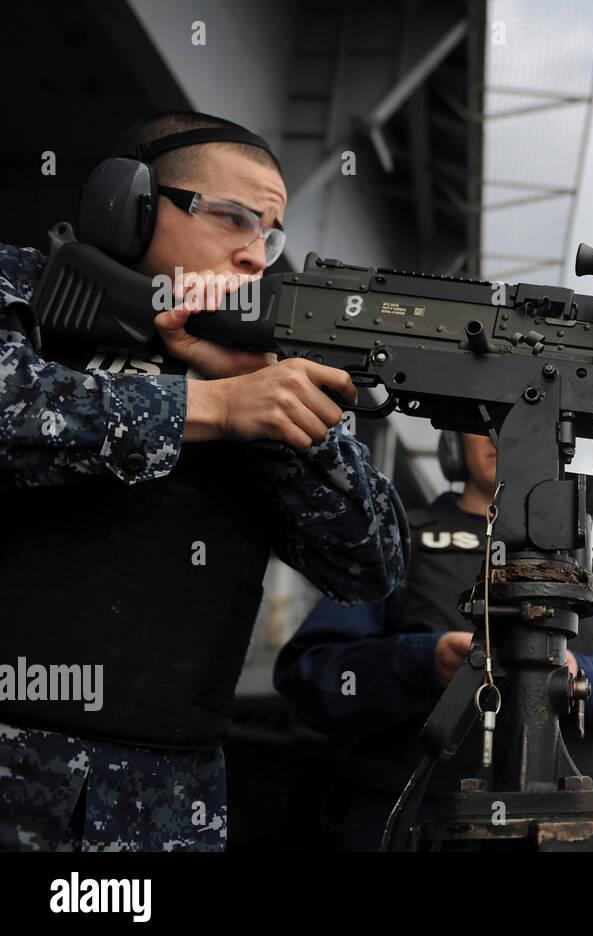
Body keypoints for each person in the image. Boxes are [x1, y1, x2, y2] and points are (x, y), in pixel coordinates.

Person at [0, 111, 410, 851]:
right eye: (233, 218)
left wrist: (281, 425)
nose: (256, 255)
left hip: (165, 797)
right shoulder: (20, 289)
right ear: (127, 208)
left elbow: (370, 565)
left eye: (271, 235)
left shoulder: (267, 365)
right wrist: (214, 407)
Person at [274, 431, 593, 850]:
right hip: (415, 828)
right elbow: (309, 673)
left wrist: (581, 676)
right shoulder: (398, 547)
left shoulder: (592, 566)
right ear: (453, 443)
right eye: (487, 422)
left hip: (566, 833)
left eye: (527, 423)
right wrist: (422, 663)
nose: (504, 437)